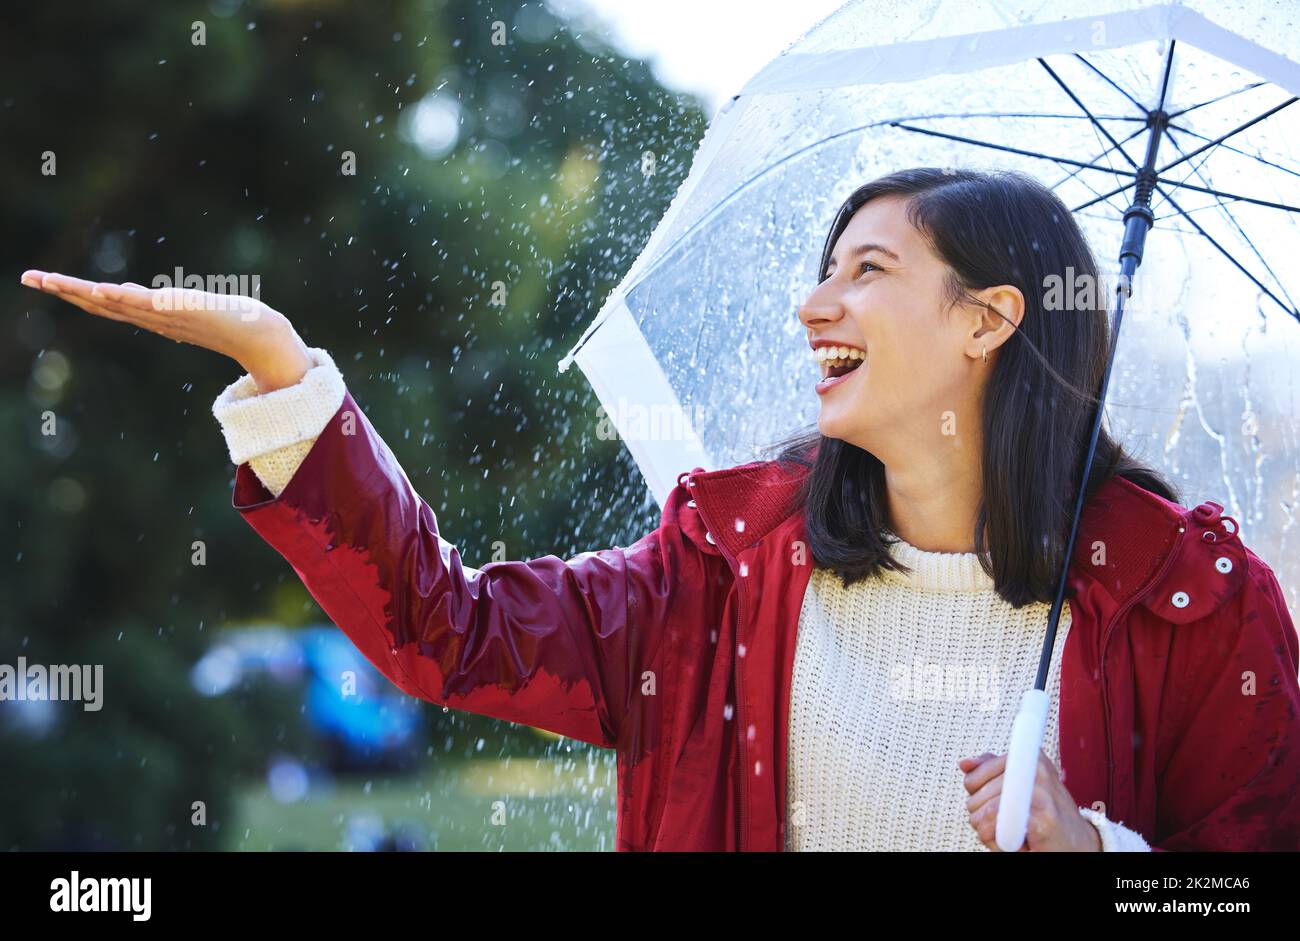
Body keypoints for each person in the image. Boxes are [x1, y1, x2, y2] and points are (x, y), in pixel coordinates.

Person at [22, 167, 1300, 852]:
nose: (815, 307)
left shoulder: (1191, 605)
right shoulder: (725, 565)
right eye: (819, 272)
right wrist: (288, 380)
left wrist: (1100, 857)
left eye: (869, 271)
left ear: (989, 319)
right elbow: (447, 629)